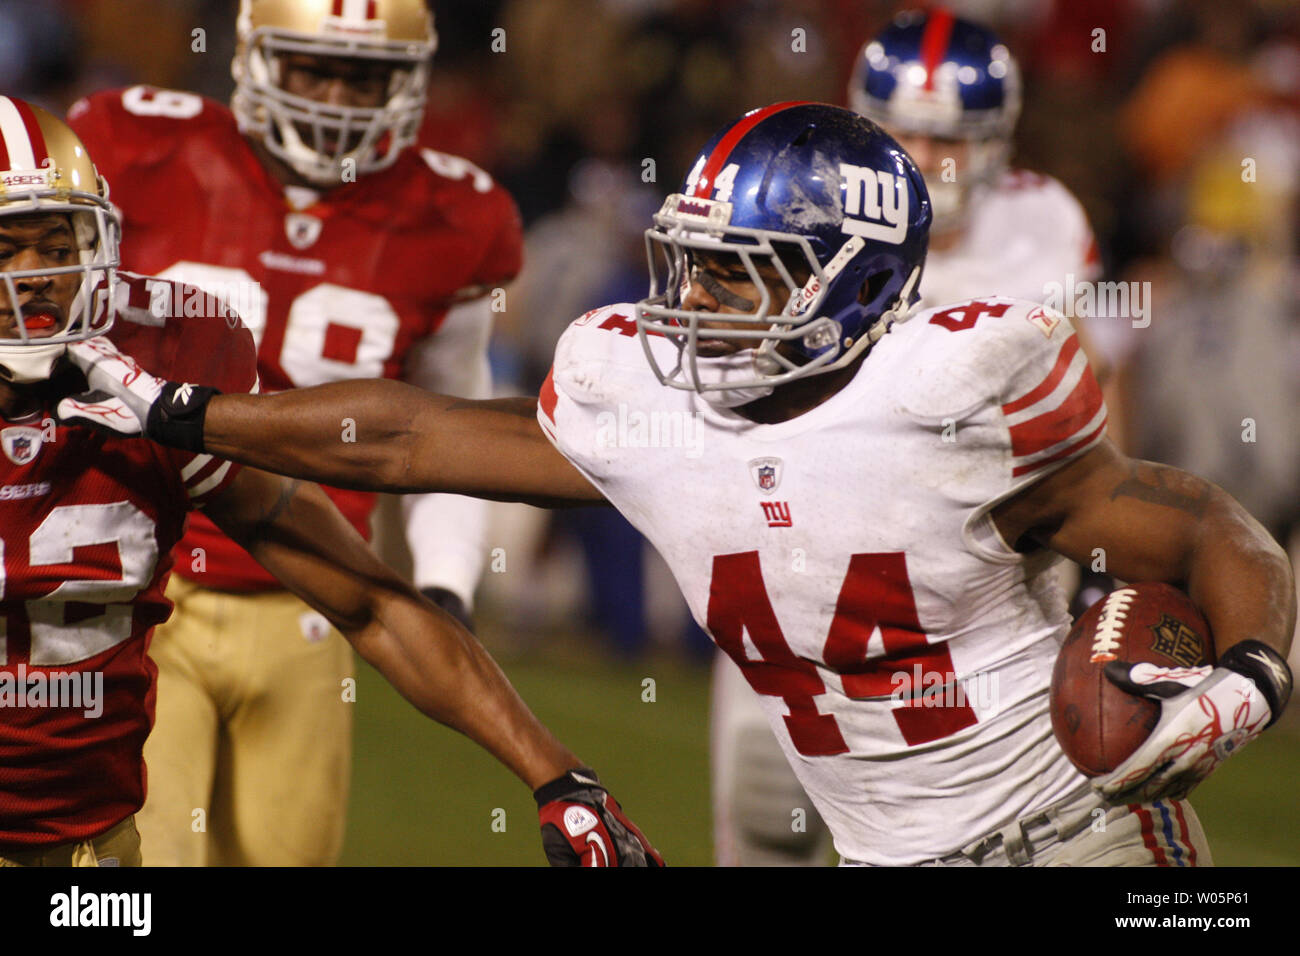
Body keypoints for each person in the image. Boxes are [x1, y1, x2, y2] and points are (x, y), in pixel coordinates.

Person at [64, 102, 1294, 867]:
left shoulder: (959, 392)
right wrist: (181, 410)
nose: (686, 306)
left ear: (852, 281)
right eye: (688, 266)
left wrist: (1247, 678)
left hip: (1071, 833)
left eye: (735, 275)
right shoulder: (649, 403)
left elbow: (1211, 528)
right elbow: (406, 438)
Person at [0, 95, 658, 868]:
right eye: (7, 249)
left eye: (58, 242)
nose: (40, 277)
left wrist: (555, 774)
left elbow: (369, 599)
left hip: (92, 844)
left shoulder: (153, 375)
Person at [65, 0, 516, 865]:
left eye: (365, 75)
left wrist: (449, 586)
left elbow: (451, 418)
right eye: (314, 67)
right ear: (253, 57)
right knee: (148, 866)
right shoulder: (134, 145)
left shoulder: (457, 214)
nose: (338, 96)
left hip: (313, 599)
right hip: (149, 591)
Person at [711, 8, 1111, 867]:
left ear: (1000, 138)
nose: (926, 160)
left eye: (951, 139)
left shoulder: (1042, 223)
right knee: (762, 816)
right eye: (905, 134)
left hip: (977, 573)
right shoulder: (796, 202)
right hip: (801, 549)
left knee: (976, 821)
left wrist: (1096, 551)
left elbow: (1085, 394)